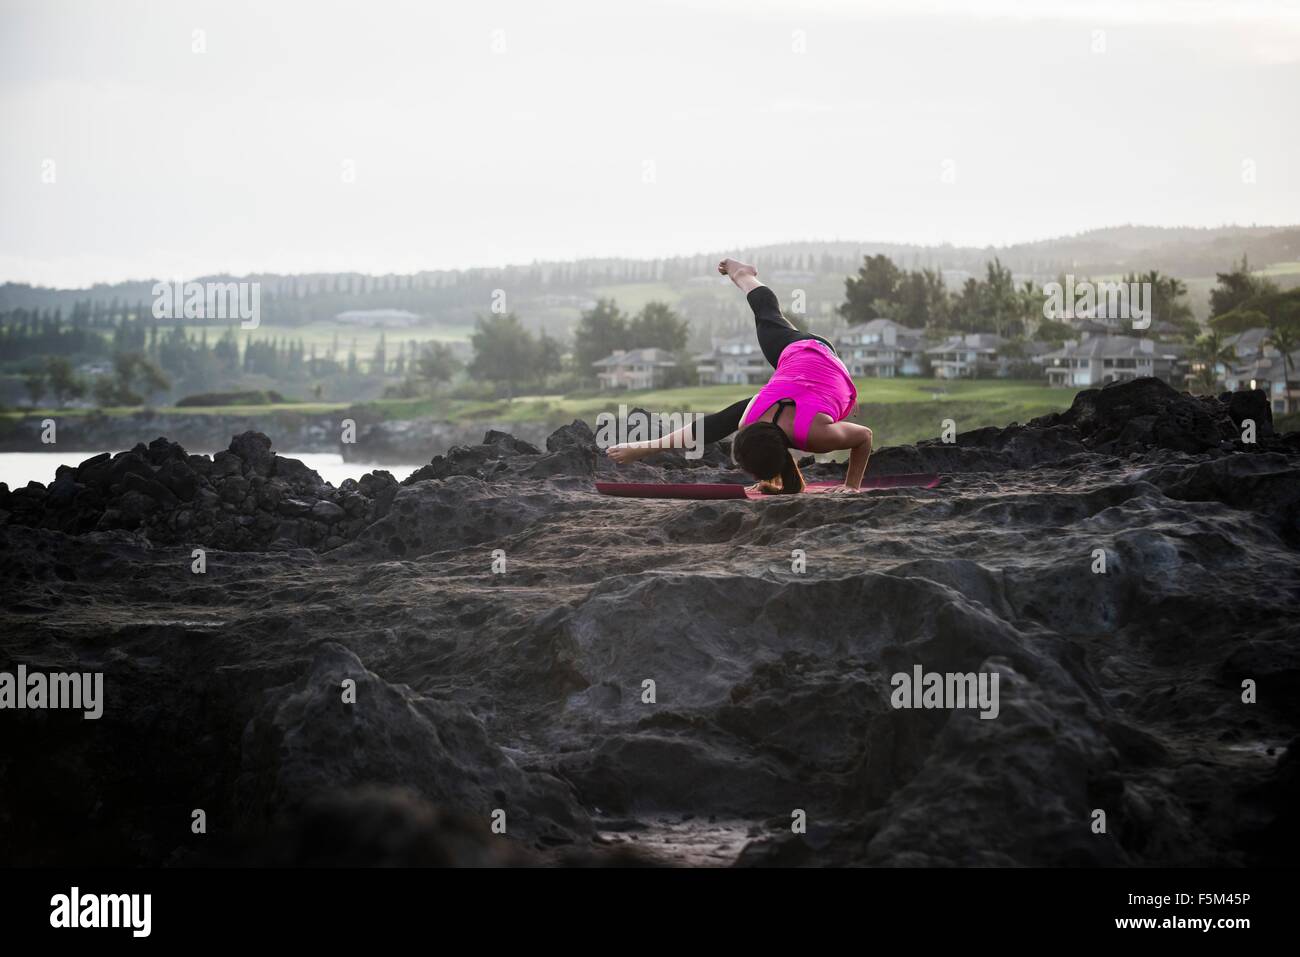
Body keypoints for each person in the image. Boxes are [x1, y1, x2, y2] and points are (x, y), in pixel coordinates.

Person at [606, 258, 873, 494]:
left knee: (768, 316)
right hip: (801, 356)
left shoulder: (814, 436)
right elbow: (711, 426)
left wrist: (851, 487)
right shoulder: (753, 418)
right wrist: (642, 448)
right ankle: (743, 274)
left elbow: (864, 436)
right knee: (769, 316)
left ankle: (743, 274)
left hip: (815, 359)